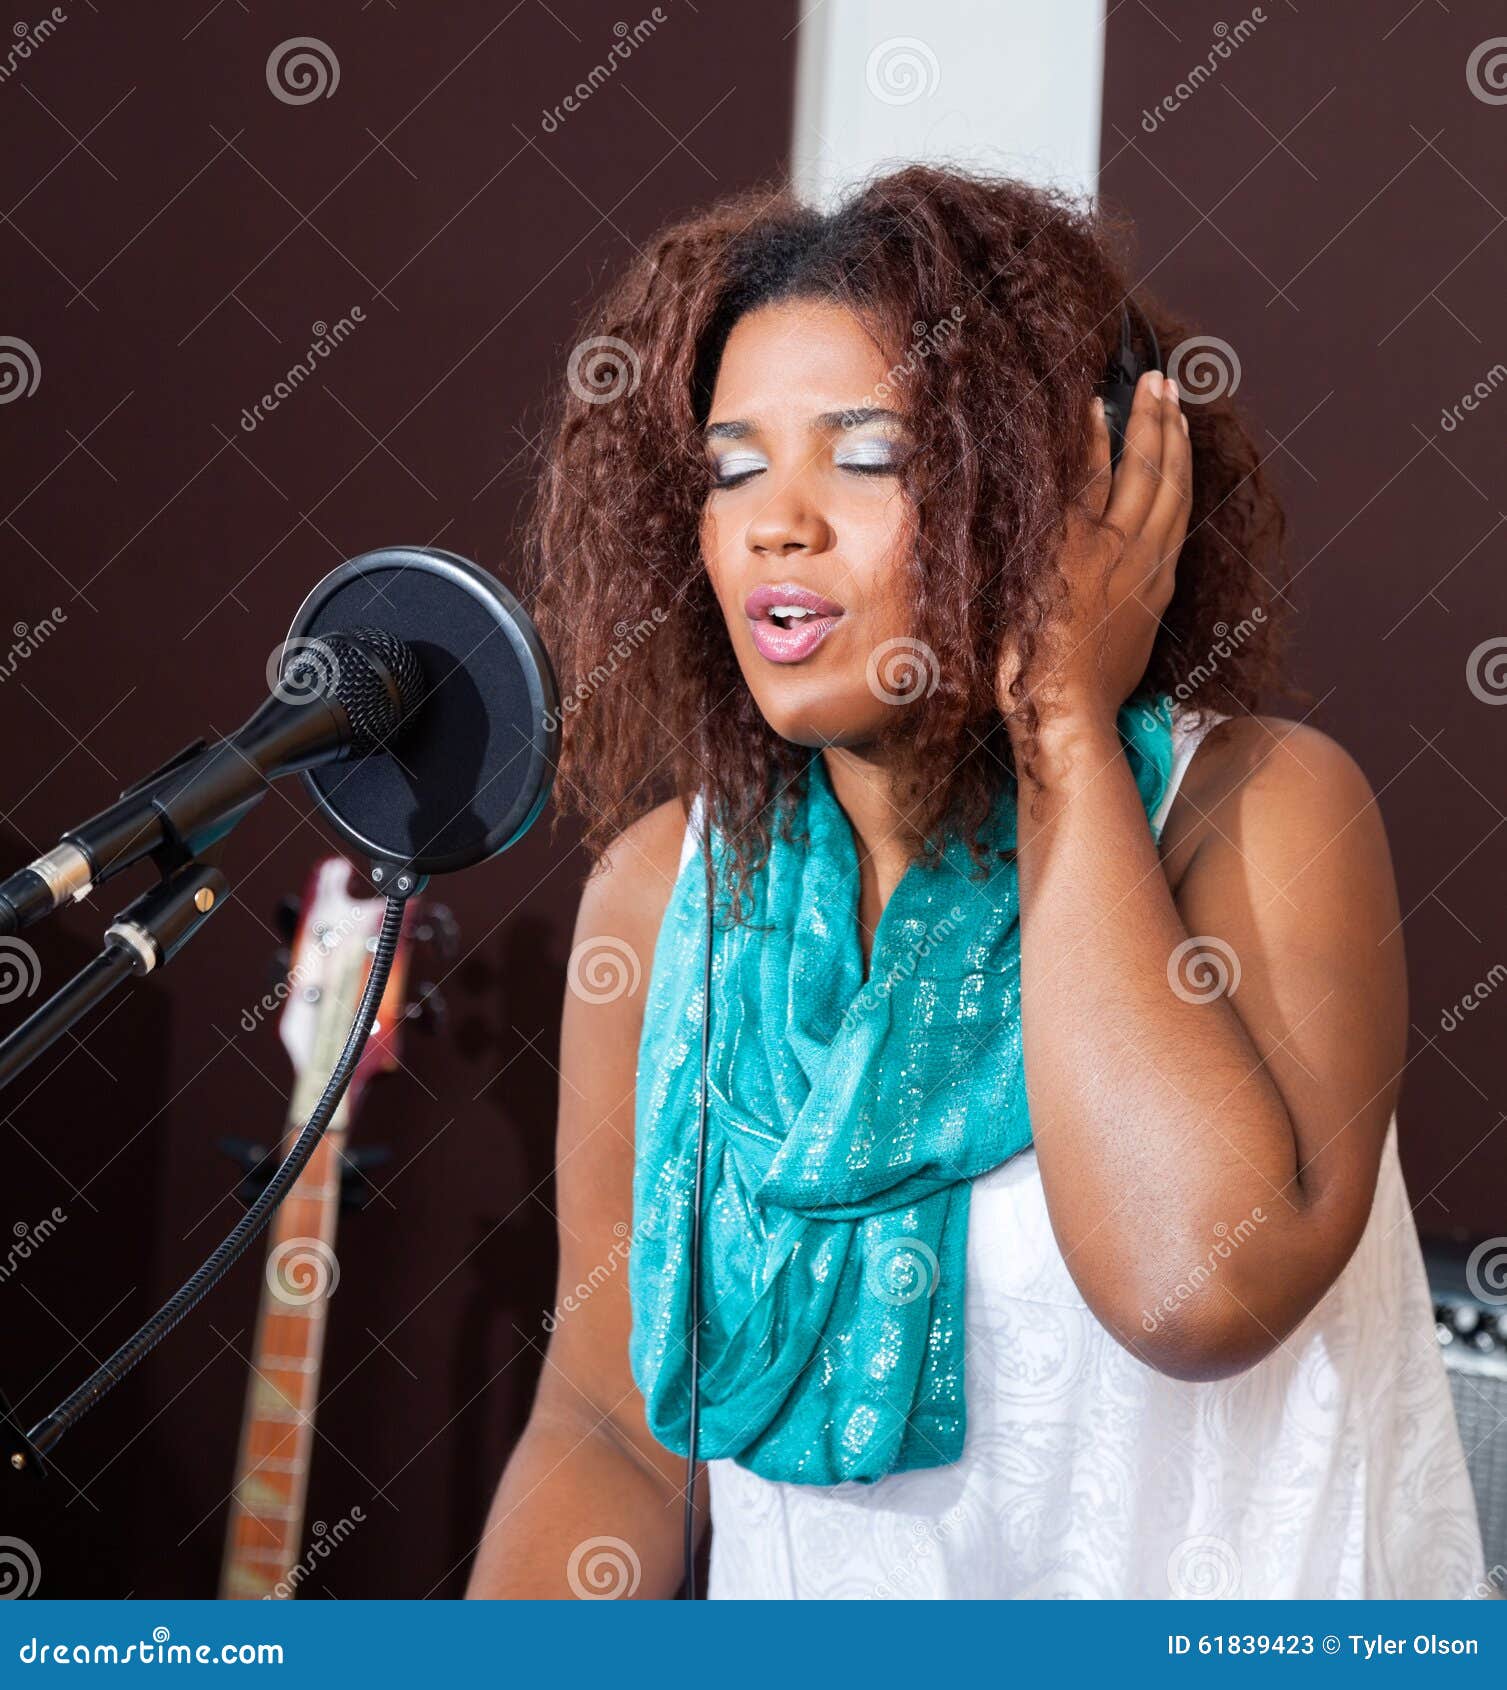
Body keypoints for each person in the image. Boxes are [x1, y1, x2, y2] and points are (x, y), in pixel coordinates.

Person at [465, 165, 1486, 1600]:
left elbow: (1195, 1288)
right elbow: (613, 1426)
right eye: (733, 465)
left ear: (1065, 497)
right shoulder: (661, 896)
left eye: (866, 455)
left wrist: (1065, 721)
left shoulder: (1257, 810)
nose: (778, 522)